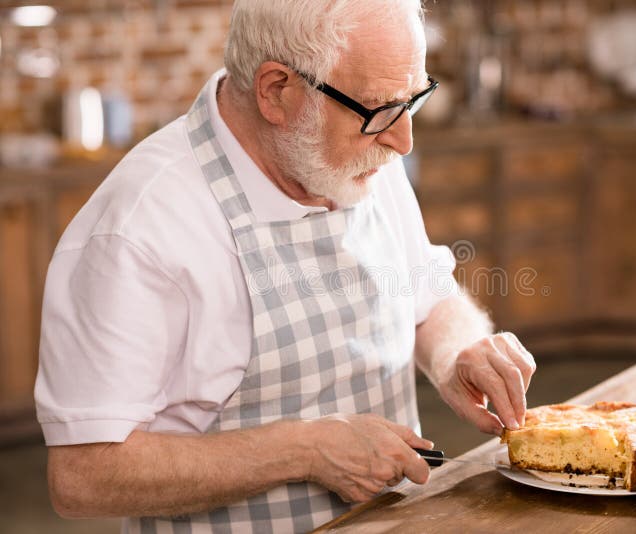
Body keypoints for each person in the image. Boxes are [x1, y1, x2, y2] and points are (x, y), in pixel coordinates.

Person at [34, 0, 536, 532]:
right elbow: (82, 475)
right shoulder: (138, 228)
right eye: (379, 110)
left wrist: (455, 352)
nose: (404, 139)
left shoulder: (361, 148)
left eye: (413, 99)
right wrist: (305, 450)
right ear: (277, 91)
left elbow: (423, 290)